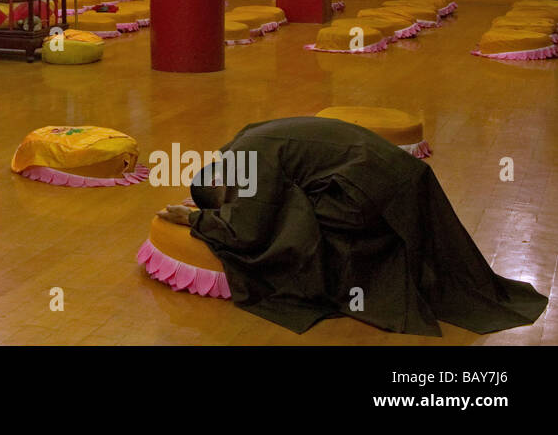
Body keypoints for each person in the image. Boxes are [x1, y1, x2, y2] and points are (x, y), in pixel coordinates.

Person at [158, 116, 547, 336]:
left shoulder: (244, 167)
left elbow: (248, 229)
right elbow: (261, 200)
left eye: (227, 199)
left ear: (220, 180)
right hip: (390, 171)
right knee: (292, 210)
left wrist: (197, 219)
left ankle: (349, 287)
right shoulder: (243, 142)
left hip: (374, 187)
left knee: (300, 229)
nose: (231, 203)